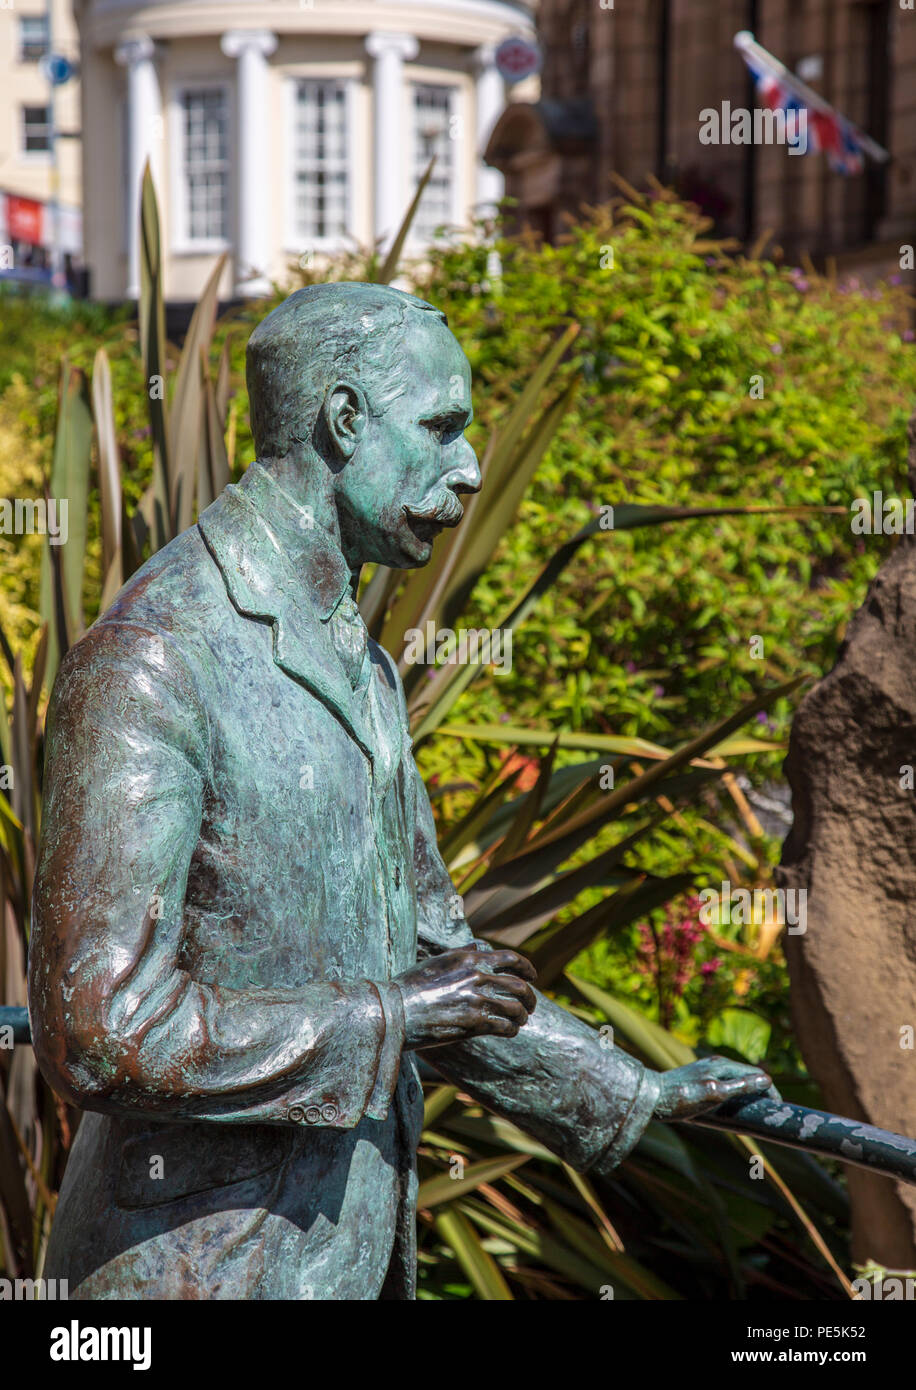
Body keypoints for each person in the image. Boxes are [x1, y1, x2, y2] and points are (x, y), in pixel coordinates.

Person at [29, 283, 773, 1299]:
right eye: (441, 428)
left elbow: (432, 958)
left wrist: (624, 1091)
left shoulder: (360, 662)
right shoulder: (153, 658)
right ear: (344, 421)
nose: (469, 470)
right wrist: (389, 1016)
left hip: (352, 1257)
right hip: (193, 1274)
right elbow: (98, 1027)